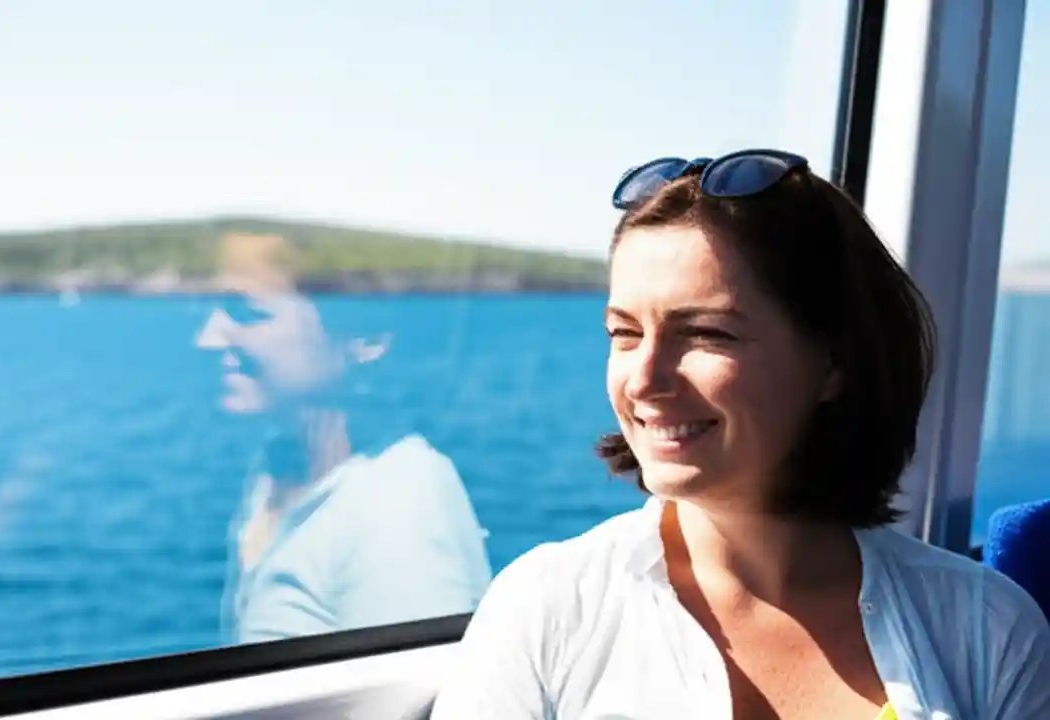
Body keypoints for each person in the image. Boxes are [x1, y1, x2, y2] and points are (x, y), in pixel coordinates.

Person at [430, 150, 1050, 718]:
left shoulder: (985, 628)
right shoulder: (548, 609)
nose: (644, 379)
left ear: (833, 363)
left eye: (705, 334)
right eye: (624, 334)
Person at [194, 232, 492, 644]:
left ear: (365, 338)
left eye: (247, 311)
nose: (206, 338)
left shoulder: (397, 504)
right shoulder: (281, 465)